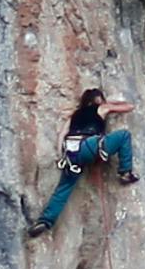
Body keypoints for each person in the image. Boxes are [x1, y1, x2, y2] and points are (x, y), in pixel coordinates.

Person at [31, 88, 135, 231]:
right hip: (90, 146)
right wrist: (108, 103)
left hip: (71, 152)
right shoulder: (102, 108)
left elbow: (62, 135)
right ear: (97, 100)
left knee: (64, 187)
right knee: (124, 136)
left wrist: (61, 155)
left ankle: (45, 221)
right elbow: (129, 107)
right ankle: (125, 172)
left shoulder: (74, 115)